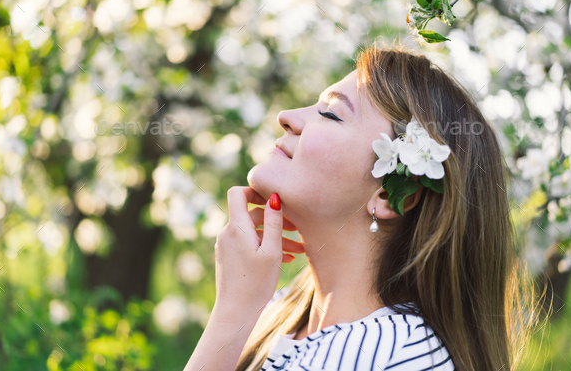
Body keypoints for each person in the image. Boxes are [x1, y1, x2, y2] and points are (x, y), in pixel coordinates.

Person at [183, 42, 541, 371]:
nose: (288, 115)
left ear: (389, 195)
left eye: (331, 114)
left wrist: (231, 311)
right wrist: (238, 308)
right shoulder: (278, 313)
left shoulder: (394, 353)